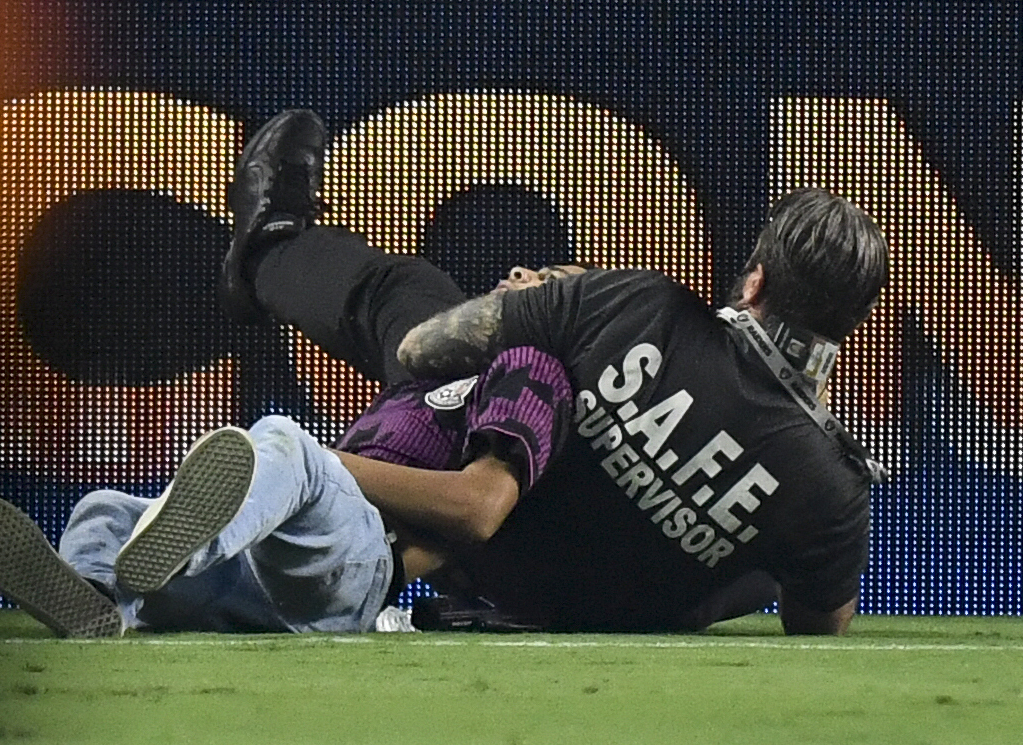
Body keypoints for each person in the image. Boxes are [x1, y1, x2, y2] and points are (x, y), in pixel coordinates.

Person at [221, 110, 888, 635]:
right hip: (598, 606)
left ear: (754, 279)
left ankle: (268, 245)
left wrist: (541, 298)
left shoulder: (641, 306)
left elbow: (424, 350)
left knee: (407, 296)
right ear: (851, 323)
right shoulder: (832, 490)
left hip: (484, 532)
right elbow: (817, 620)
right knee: (779, 556)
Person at [0, 111, 574, 638]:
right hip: (272, 576)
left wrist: (325, 465)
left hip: (359, 566)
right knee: (103, 510)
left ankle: (172, 558)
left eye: (547, 281)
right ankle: (100, 599)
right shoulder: (442, 362)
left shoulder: (531, 370)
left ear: (567, 318)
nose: (522, 272)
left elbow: (478, 509)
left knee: (285, 443)